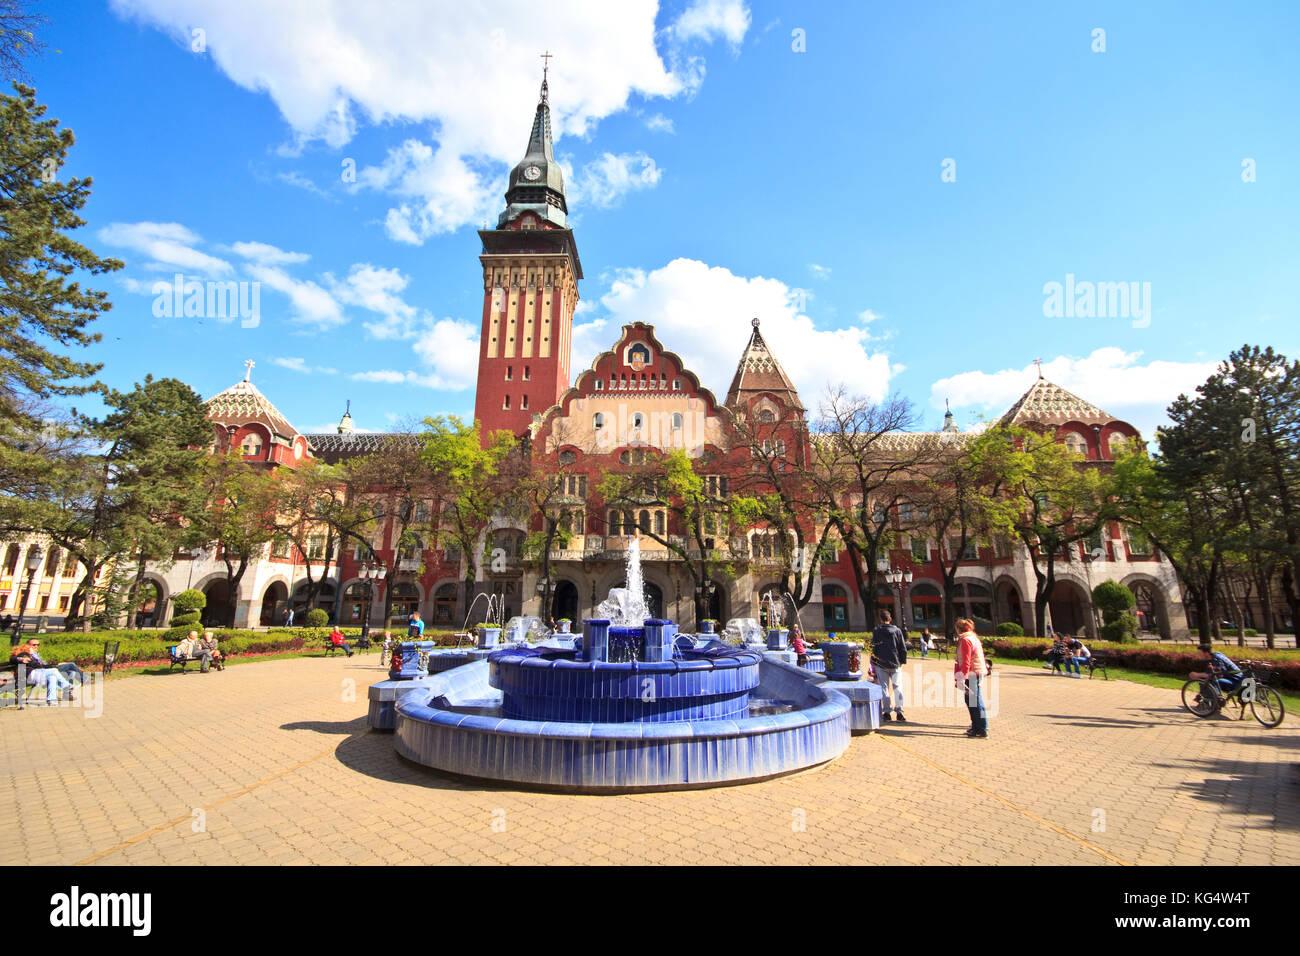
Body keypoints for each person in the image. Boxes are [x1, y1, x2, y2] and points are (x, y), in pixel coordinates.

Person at [954, 618, 990, 737]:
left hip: (972, 673)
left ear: (959, 629)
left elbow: (966, 661)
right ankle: (977, 726)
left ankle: (981, 728)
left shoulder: (965, 640)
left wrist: (962, 677)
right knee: (972, 700)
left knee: (974, 701)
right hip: (976, 672)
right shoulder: (973, 637)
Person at [871, 609, 908, 722]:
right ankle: (900, 713)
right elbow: (902, 647)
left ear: (880, 619)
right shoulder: (897, 631)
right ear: (890, 619)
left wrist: (874, 661)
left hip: (881, 663)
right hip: (895, 662)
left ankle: (887, 712)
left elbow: (874, 646)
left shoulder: (877, 631)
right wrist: (902, 661)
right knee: (898, 687)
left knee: (884, 688)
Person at [9, 639, 74, 704]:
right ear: (27, 649)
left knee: (52, 677)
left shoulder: (30, 656)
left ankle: (51, 700)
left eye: (37, 645)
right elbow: (13, 659)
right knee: (54, 671)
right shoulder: (24, 655)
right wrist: (21, 659)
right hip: (28, 676)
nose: (35, 648)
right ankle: (66, 685)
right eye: (32, 647)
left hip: (34, 675)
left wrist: (55, 665)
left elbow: (40, 666)